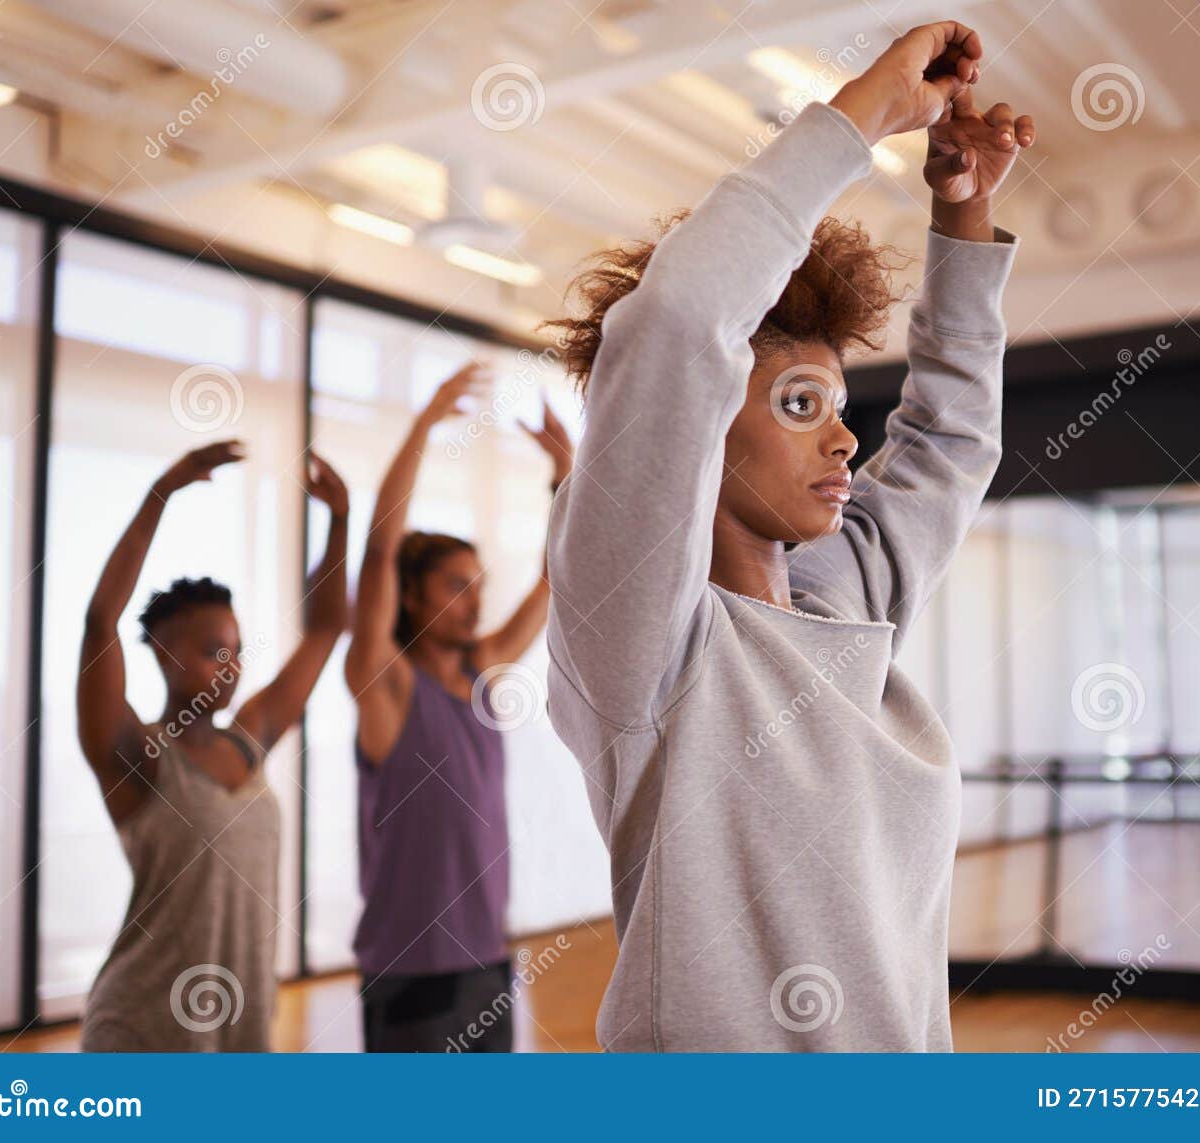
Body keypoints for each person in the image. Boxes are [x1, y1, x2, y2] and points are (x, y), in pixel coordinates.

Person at [542, 22, 1032, 1050]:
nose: (846, 437)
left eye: (837, 405)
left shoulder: (842, 603)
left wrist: (963, 206)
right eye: (800, 404)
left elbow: (947, 440)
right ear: (701, 427)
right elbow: (675, 323)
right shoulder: (644, 647)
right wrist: (864, 115)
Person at [76, 442, 349, 1051]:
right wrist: (161, 492)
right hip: (144, 1030)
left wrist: (339, 521)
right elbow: (100, 621)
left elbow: (328, 627)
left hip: (241, 1030)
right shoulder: (135, 755)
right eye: (209, 653)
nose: (229, 668)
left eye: (236, 651)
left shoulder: (251, 739)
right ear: (164, 656)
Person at [344, 363, 573, 1052]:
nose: (474, 601)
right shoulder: (384, 683)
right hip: (410, 971)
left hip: (487, 955)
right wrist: (423, 425)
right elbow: (382, 548)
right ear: (411, 595)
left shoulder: (481, 674)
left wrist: (566, 476)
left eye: (477, 586)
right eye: (454, 585)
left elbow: (555, 574)